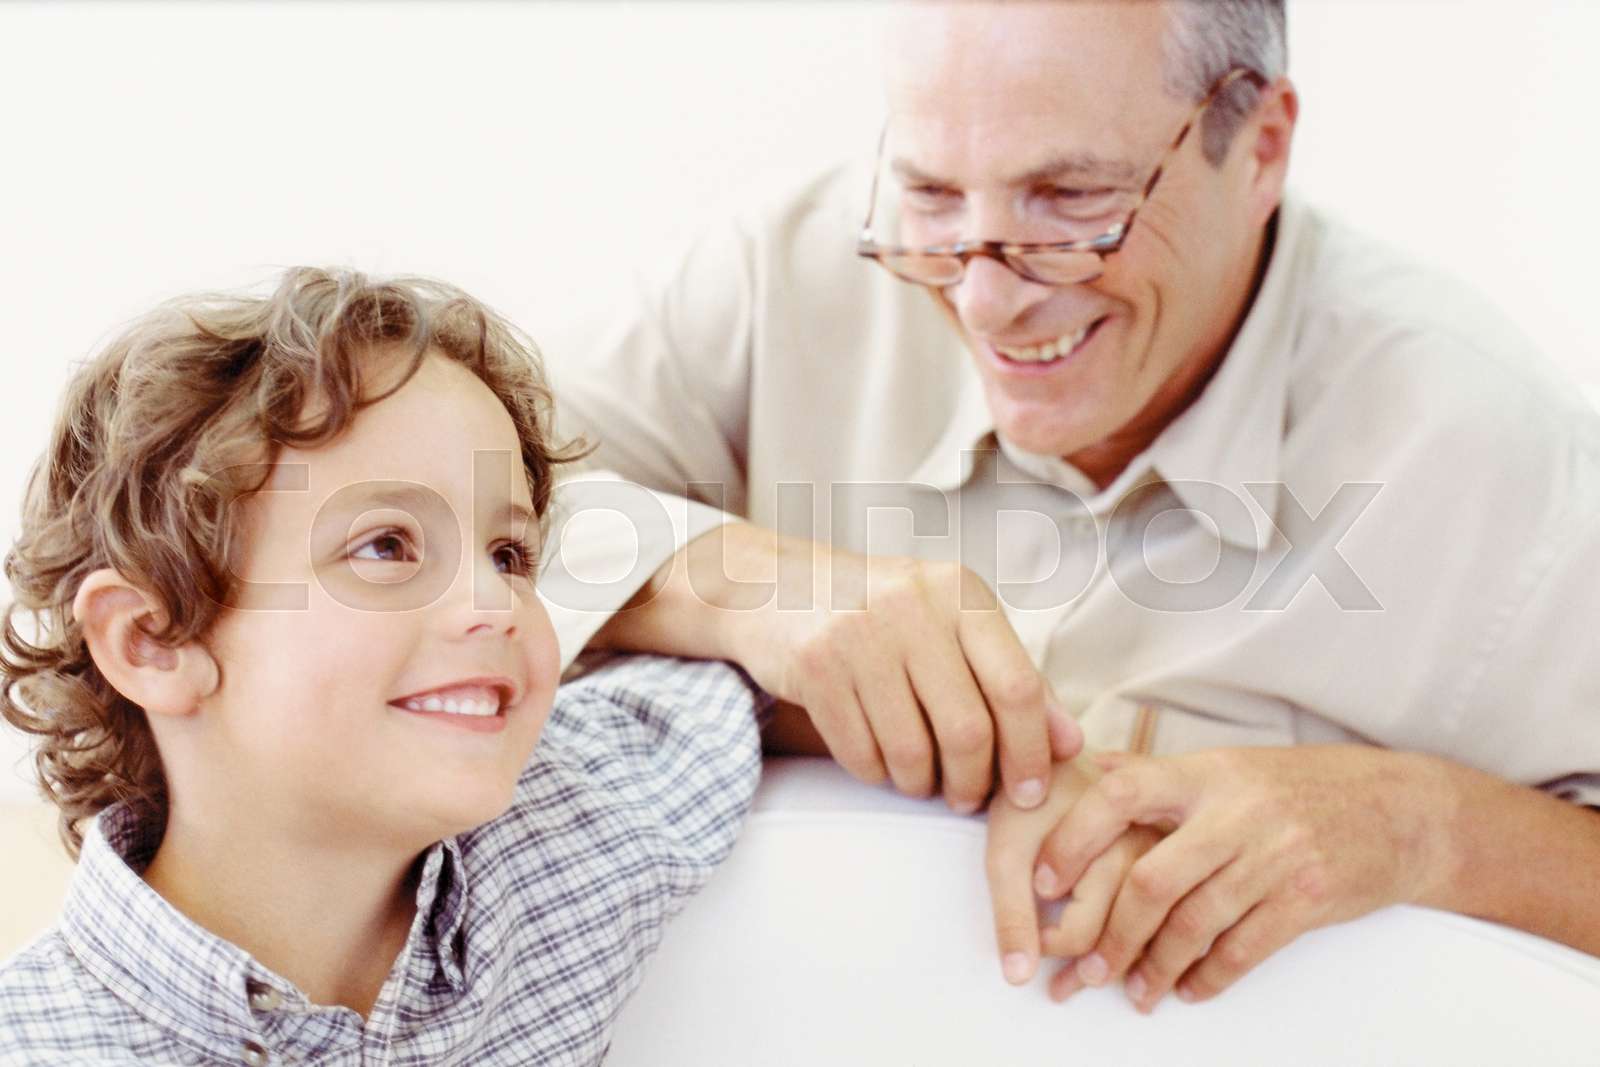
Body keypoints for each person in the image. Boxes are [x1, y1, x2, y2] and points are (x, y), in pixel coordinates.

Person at [534, 0, 1600, 1013]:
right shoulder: (778, 273)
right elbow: (455, 513)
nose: (985, 299)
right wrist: (738, 589)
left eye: (1073, 200)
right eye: (933, 195)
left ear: (1261, 148)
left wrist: (1422, 826)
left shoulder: (1496, 459)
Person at [0, 268, 767, 1063]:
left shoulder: (576, 819)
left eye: (509, 554)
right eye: (387, 546)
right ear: (151, 642)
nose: (497, 603)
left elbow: (806, 665)